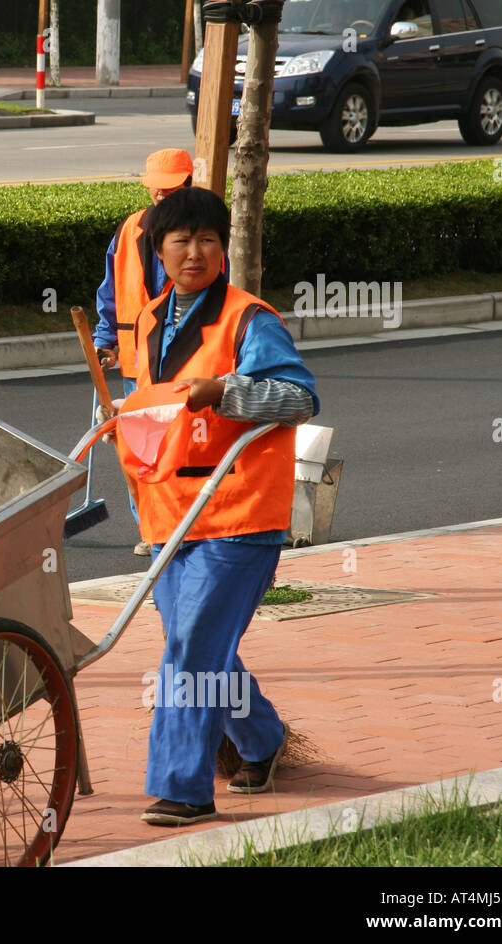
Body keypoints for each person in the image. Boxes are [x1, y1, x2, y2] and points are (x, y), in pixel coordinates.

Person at [124, 187, 319, 827]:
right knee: (202, 647)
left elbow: (298, 398)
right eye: (180, 240)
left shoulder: (248, 320)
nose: (195, 252)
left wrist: (225, 392)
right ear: (158, 249)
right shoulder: (151, 320)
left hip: (239, 514)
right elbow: (153, 409)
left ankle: (183, 788)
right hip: (170, 516)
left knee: (189, 648)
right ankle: (261, 742)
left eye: (208, 240)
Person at [93, 147, 194, 556]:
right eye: (156, 190)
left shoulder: (201, 237)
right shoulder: (130, 229)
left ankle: (180, 522)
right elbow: (111, 290)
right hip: (137, 360)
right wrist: (105, 338)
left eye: (169, 190)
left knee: (177, 446)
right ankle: (152, 526)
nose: (161, 197)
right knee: (138, 448)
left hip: (183, 358)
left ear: (187, 185)